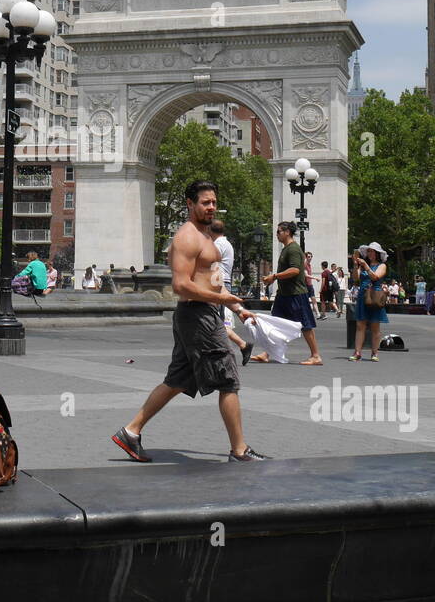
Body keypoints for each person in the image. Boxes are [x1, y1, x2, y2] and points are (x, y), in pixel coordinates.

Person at [112, 180, 267, 463]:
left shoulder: (206, 236)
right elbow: (181, 285)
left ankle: (130, 432)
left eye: (213, 202)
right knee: (228, 380)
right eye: (205, 202)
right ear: (190, 204)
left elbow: (214, 281)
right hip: (197, 316)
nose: (211, 207)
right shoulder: (186, 237)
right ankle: (240, 450)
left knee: (177, 380)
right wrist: (220, 302)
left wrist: (236, 306)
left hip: (204, 313)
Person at [253, 221, 323, 366]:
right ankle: (267, 353)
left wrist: (274, 276)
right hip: (284, 294)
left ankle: (316, 356)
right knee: (275, 324)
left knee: (305, 324)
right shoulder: (286, 249)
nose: (277, 234)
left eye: (279, 231)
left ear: (287, 232)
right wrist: (275, 279)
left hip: (296, 294)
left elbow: (295, 270)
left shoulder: (293, 249)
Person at [210, 219, 253, 365]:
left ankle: (230, 352)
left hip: (217, 284)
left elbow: (210, 265)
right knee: (217, 322)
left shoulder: (217, 245)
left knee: (214, 321)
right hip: (222, 282)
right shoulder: (226, 243)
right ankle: (240, 346)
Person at [348, 243, 389, 361]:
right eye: (368, 251)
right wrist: (355, 266)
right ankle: (357, 352)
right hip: (363, 295)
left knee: (375, 325)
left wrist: (365, 266)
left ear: (377, 253)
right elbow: (355, 279)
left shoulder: (382, 265)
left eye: (372, 251)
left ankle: (374, 353)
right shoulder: (363, 265)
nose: (369, 253)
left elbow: (375, 277)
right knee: (360, 325)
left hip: (375, 295)